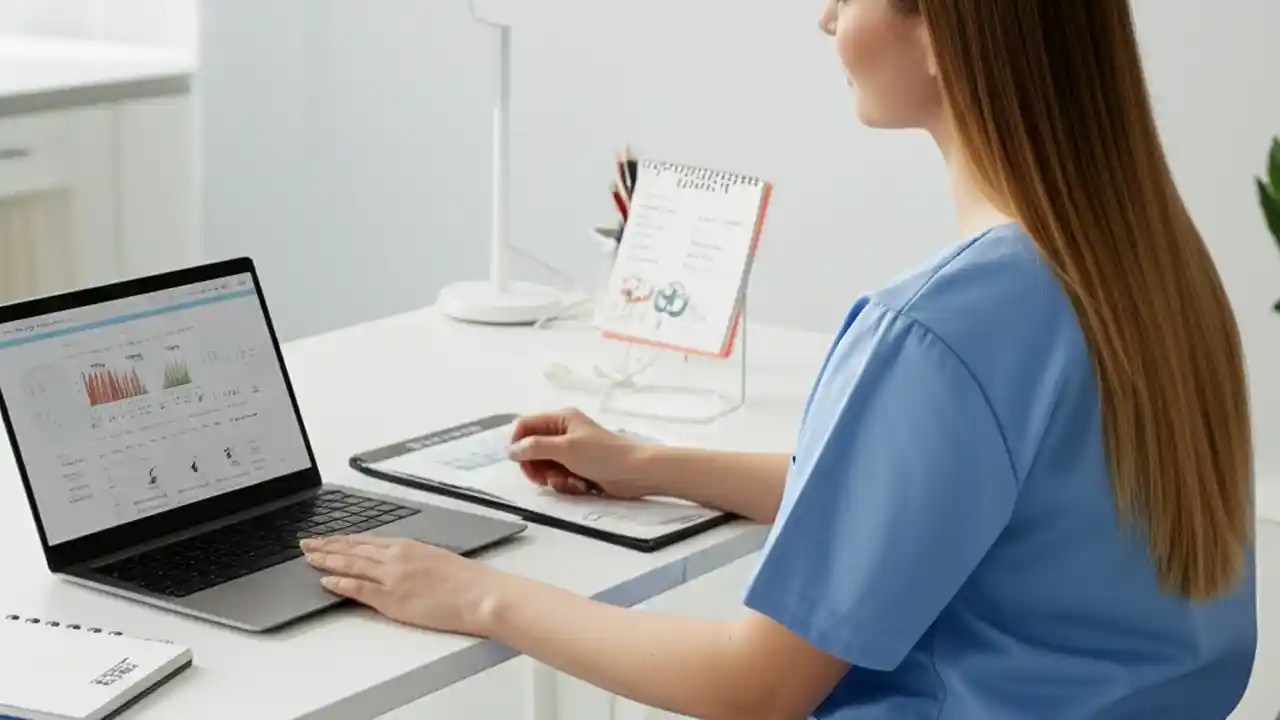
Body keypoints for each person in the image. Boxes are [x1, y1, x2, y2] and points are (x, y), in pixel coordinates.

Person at [301, 1, 1258, 717]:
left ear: (946, 31)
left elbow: (753, 682)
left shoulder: (942, 326)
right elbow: (947, 507)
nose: (827, 18)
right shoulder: (1152, 268)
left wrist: (475, 592)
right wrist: (653, 465)